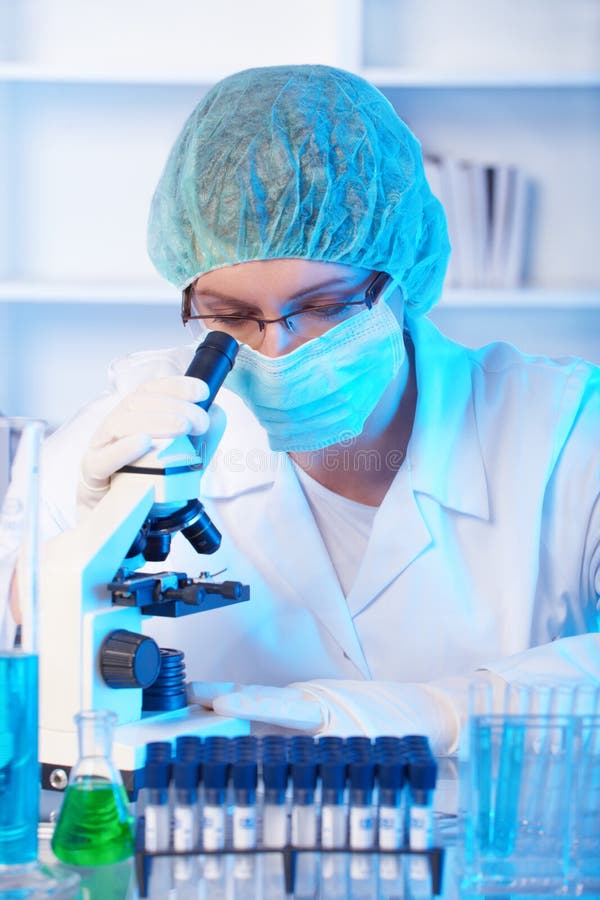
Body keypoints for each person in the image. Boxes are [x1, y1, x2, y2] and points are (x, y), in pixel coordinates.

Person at [39, 65, 599, 754]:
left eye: (327, 307)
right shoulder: (114, 444)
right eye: (233, 316)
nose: (278, 349)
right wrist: (84, 551)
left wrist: (450, 713)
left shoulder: (571, 432)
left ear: (402, 277)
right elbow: (21, 682)